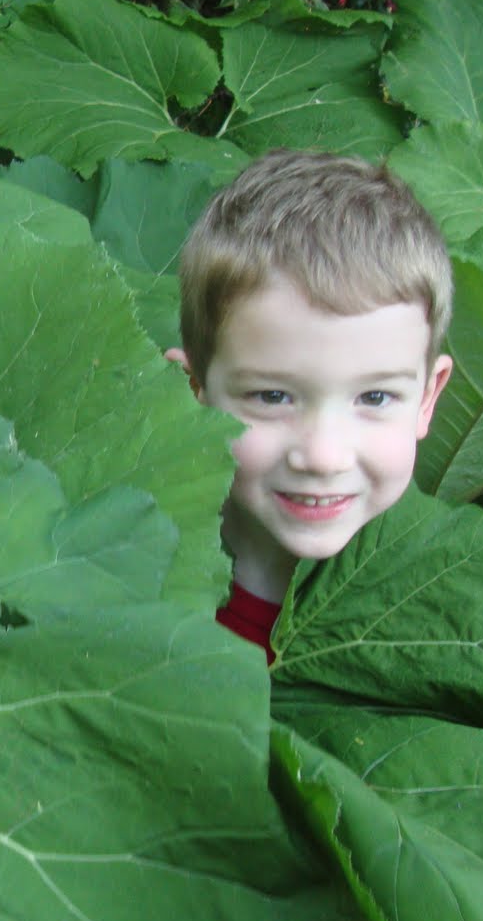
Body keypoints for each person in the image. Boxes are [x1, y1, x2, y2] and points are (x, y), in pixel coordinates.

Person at [165, 149, 454, 662]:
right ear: (192, 390)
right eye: (272, 396)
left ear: (427, 399)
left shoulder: (446, 602)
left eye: (375, 397)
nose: (323, 456)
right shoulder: (138, 574)